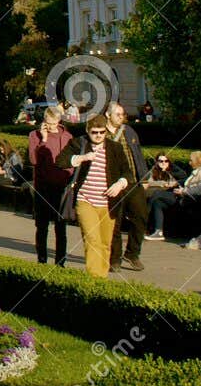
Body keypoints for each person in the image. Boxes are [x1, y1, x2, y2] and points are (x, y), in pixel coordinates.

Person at [71, 117, 131, 278]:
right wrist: (81, 158)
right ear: (87, 131)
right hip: (85, 200)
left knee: (105, 242)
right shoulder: (80, 143)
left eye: (102, 132)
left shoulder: (115, 148)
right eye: (94, 132)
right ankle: (94, 278)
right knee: (92, 238)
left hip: (107, 203)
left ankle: (102, 277)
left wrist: (120, 183)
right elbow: (61, 161)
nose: (98, 135)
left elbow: (127, 172)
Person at [105, 102, 149, 272]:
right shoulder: (102, 133)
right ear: (108, 115)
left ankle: (132, 254)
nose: (121, 117)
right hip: (113, 184)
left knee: (141, 216)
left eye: (122, 114)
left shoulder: (129, 131)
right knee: (115, 221)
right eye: (118, 114)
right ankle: (114, 258)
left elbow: (138, 155)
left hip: (132, 181)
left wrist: (144, 178)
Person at [29, 106, 74, 266]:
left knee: (61, 228)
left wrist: (70, 180)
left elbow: (71, 162)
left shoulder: (67, 137)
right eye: (48, 123)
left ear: (59, 121)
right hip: (43, 187)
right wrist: (44, 139)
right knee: (42, 227)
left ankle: (60, 262)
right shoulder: (35, 135)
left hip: (61, 188)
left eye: (54, 123)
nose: (51, 126)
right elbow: (34, 160)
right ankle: (41, 260)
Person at [173, 151, 201, 249]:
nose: (189, 162)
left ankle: (198, 239)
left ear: (197, 161)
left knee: (192, 210)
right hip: (194, 198)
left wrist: (184, 191)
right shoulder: (198, 170)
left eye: (191, 160)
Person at [143, 153, 184, 238]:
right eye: (160, 161)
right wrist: (160, 183)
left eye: (166, 161)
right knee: (156, 201)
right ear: (157, 162)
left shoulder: (173, 169)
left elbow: (183, 177)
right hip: (159, 195)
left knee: (156, 194)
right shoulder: (154, 170)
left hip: (173, 194)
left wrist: (171, 178)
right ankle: (158, 231)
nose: (163, 163)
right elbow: (148, 182)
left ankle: (143, 221)